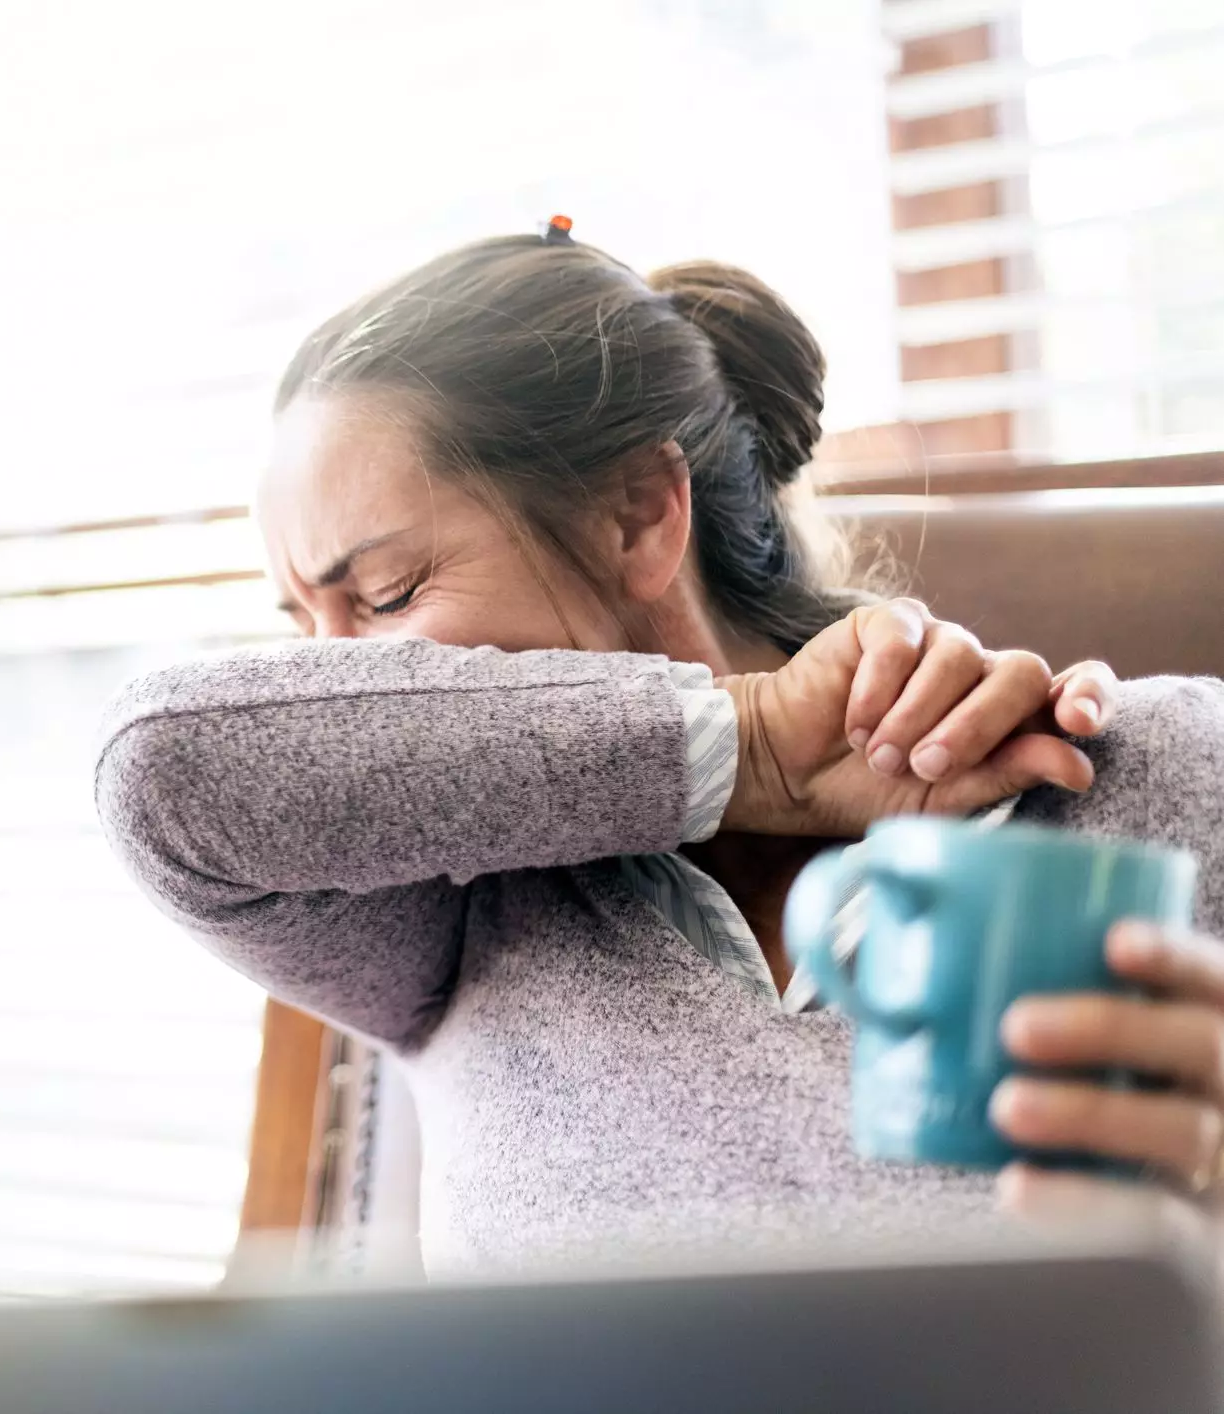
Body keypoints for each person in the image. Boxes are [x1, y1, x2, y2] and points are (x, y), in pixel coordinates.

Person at [93, 230, 1224, 1272]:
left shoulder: (1161, 778)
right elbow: (161, 772)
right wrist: (751, 744)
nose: (334, 684)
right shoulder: (436, 903)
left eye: (385, 597)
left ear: (636, 514)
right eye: (305, 626)